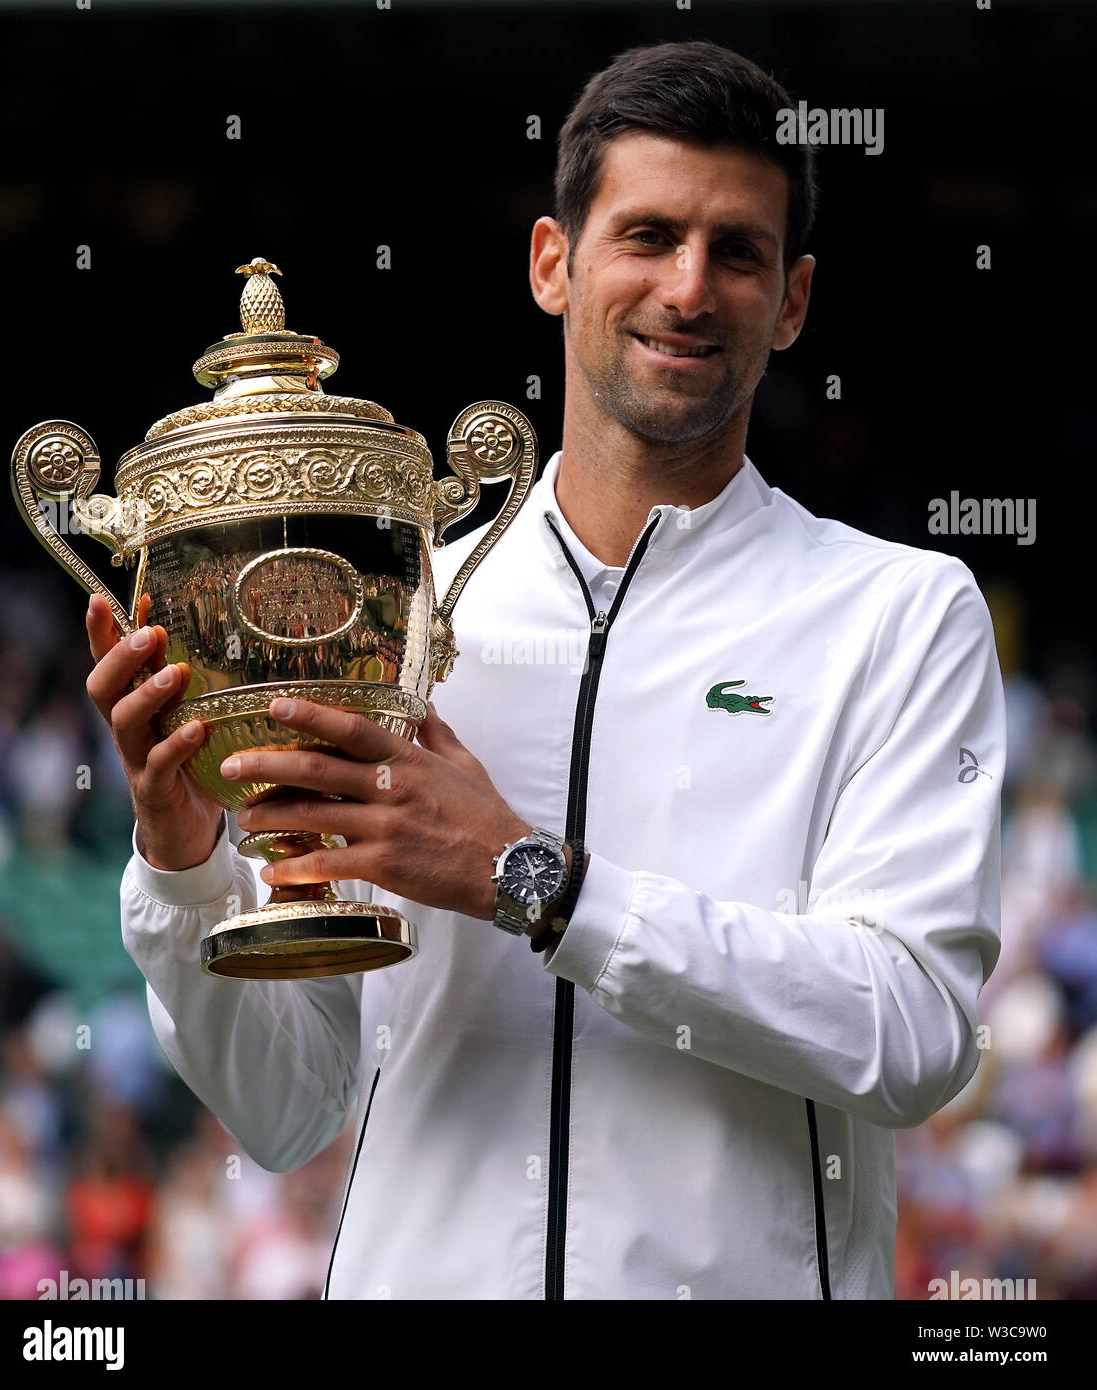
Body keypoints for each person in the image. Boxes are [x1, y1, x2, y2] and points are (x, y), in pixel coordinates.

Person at [86, 40, 1004, 1299]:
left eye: (734, 251)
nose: (686, 288)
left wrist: (536, 885)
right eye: (645, 235)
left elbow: (909, 1032)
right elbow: (286, 1109)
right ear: (552, 264)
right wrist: (185, 862)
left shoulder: (894, 611)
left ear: (790, 302)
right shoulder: (388, 618)